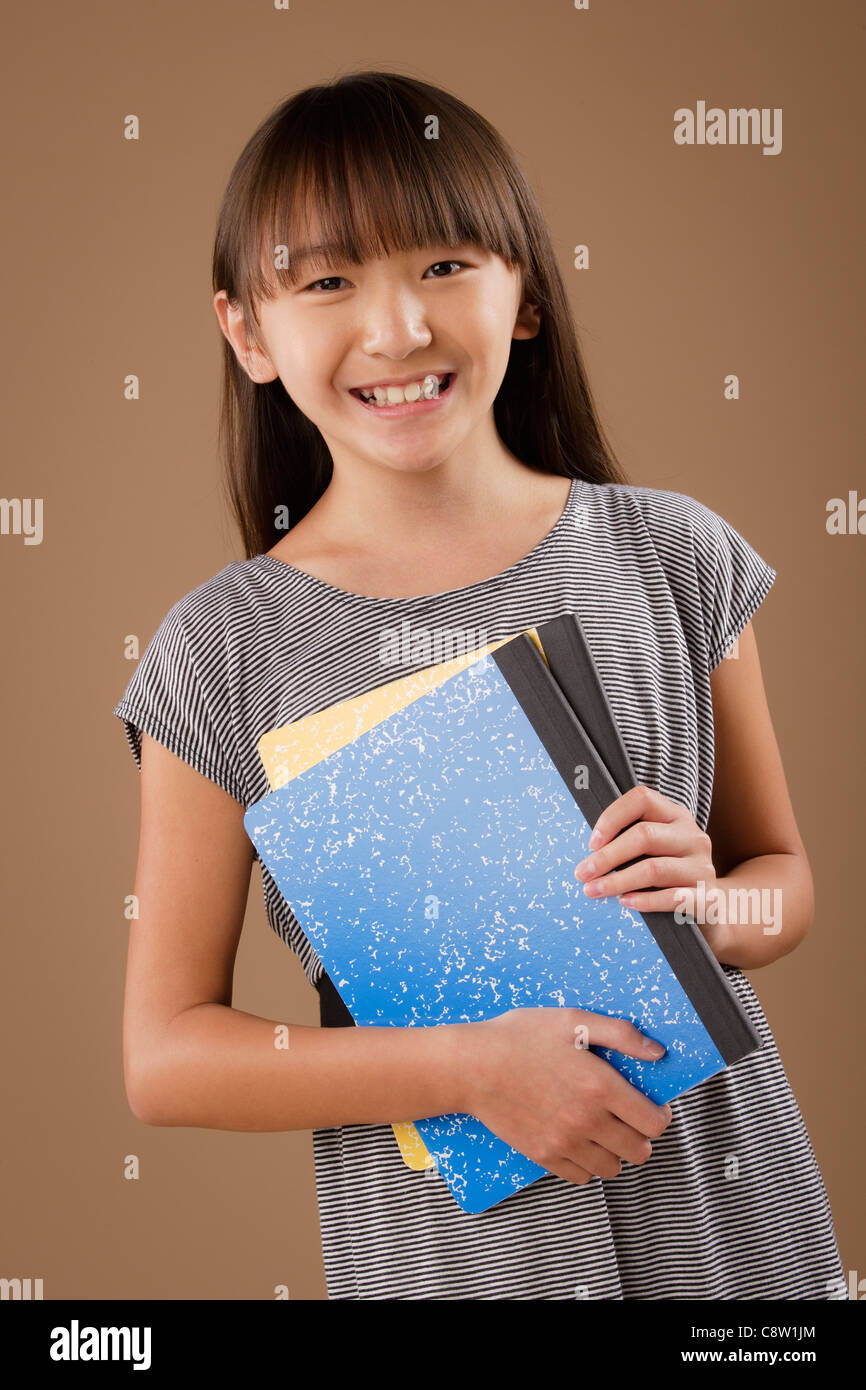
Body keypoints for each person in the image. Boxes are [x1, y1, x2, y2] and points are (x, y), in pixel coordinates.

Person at [112, 70, 847, 1300]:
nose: (396, 330)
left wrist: (706, 905)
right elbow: (165, 1055)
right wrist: (464, 1067)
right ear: (247, 331)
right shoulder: (222, 650)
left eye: (444, 265)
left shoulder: (670, 553)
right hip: (456, 1261)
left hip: (730, 1225)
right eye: (329, 281)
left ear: (523, 294)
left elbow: (787, 891)